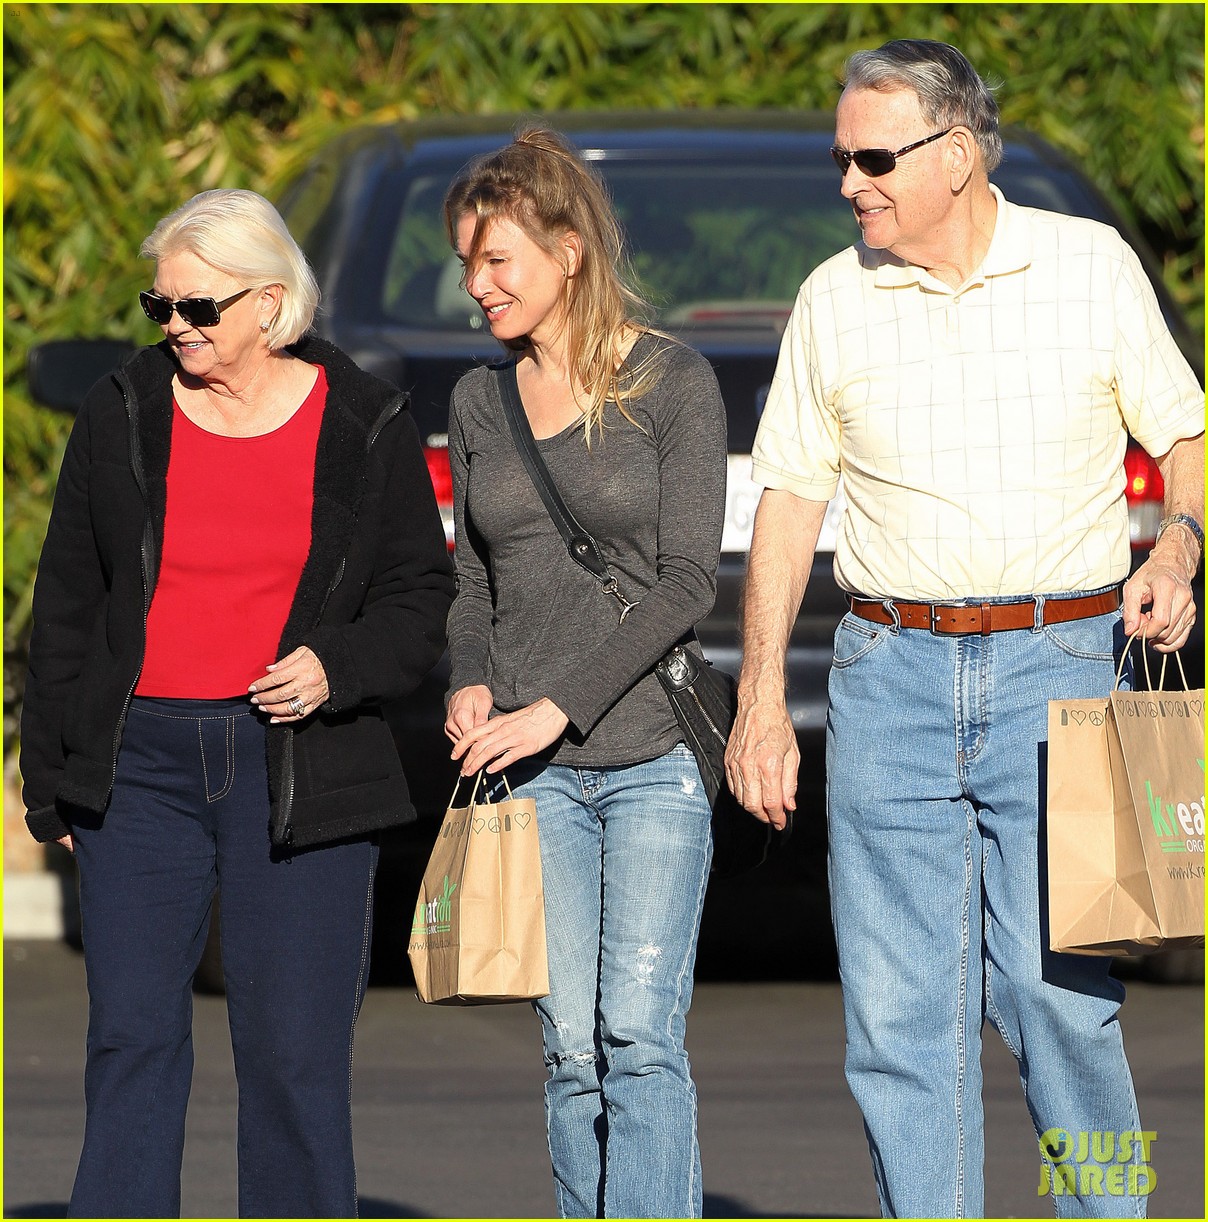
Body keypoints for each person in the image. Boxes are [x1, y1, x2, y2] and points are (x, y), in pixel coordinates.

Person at [725, 39, 1204, 1221]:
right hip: (886, 676)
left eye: (871, 157)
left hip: (1066, 669)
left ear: (955, 153)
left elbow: (1186, 436)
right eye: (838, 159)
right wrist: (754, 706)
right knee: (896, 1020)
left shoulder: (1088, 268)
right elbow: (787, 501)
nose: (848, 183)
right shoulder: (833, 296)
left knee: (1061, 1008)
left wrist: (1180, 544)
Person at [20, 188, 455, 1219]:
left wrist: (333, 667)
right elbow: (68, 606)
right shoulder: (121, 410)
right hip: (141, 767)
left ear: (269, 302)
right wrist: (54, 783)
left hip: (300, 763)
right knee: (131, 1036)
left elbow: (417, 596)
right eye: (158, 304)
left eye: (197, 307)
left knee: (294, 1054)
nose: (174, 325)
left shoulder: (363, 420)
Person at [441, 128, 727, 1219]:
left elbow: (684, 582)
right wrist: (469, 682)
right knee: (567, 1046)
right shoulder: (478, 401)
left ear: (567, 250)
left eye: (496, 259)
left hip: (647, 752)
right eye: (467, 264)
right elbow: (474, 578)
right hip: (530, 772)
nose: (477, 284)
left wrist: (555, 705)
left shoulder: (670, 382)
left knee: (638, 1036)